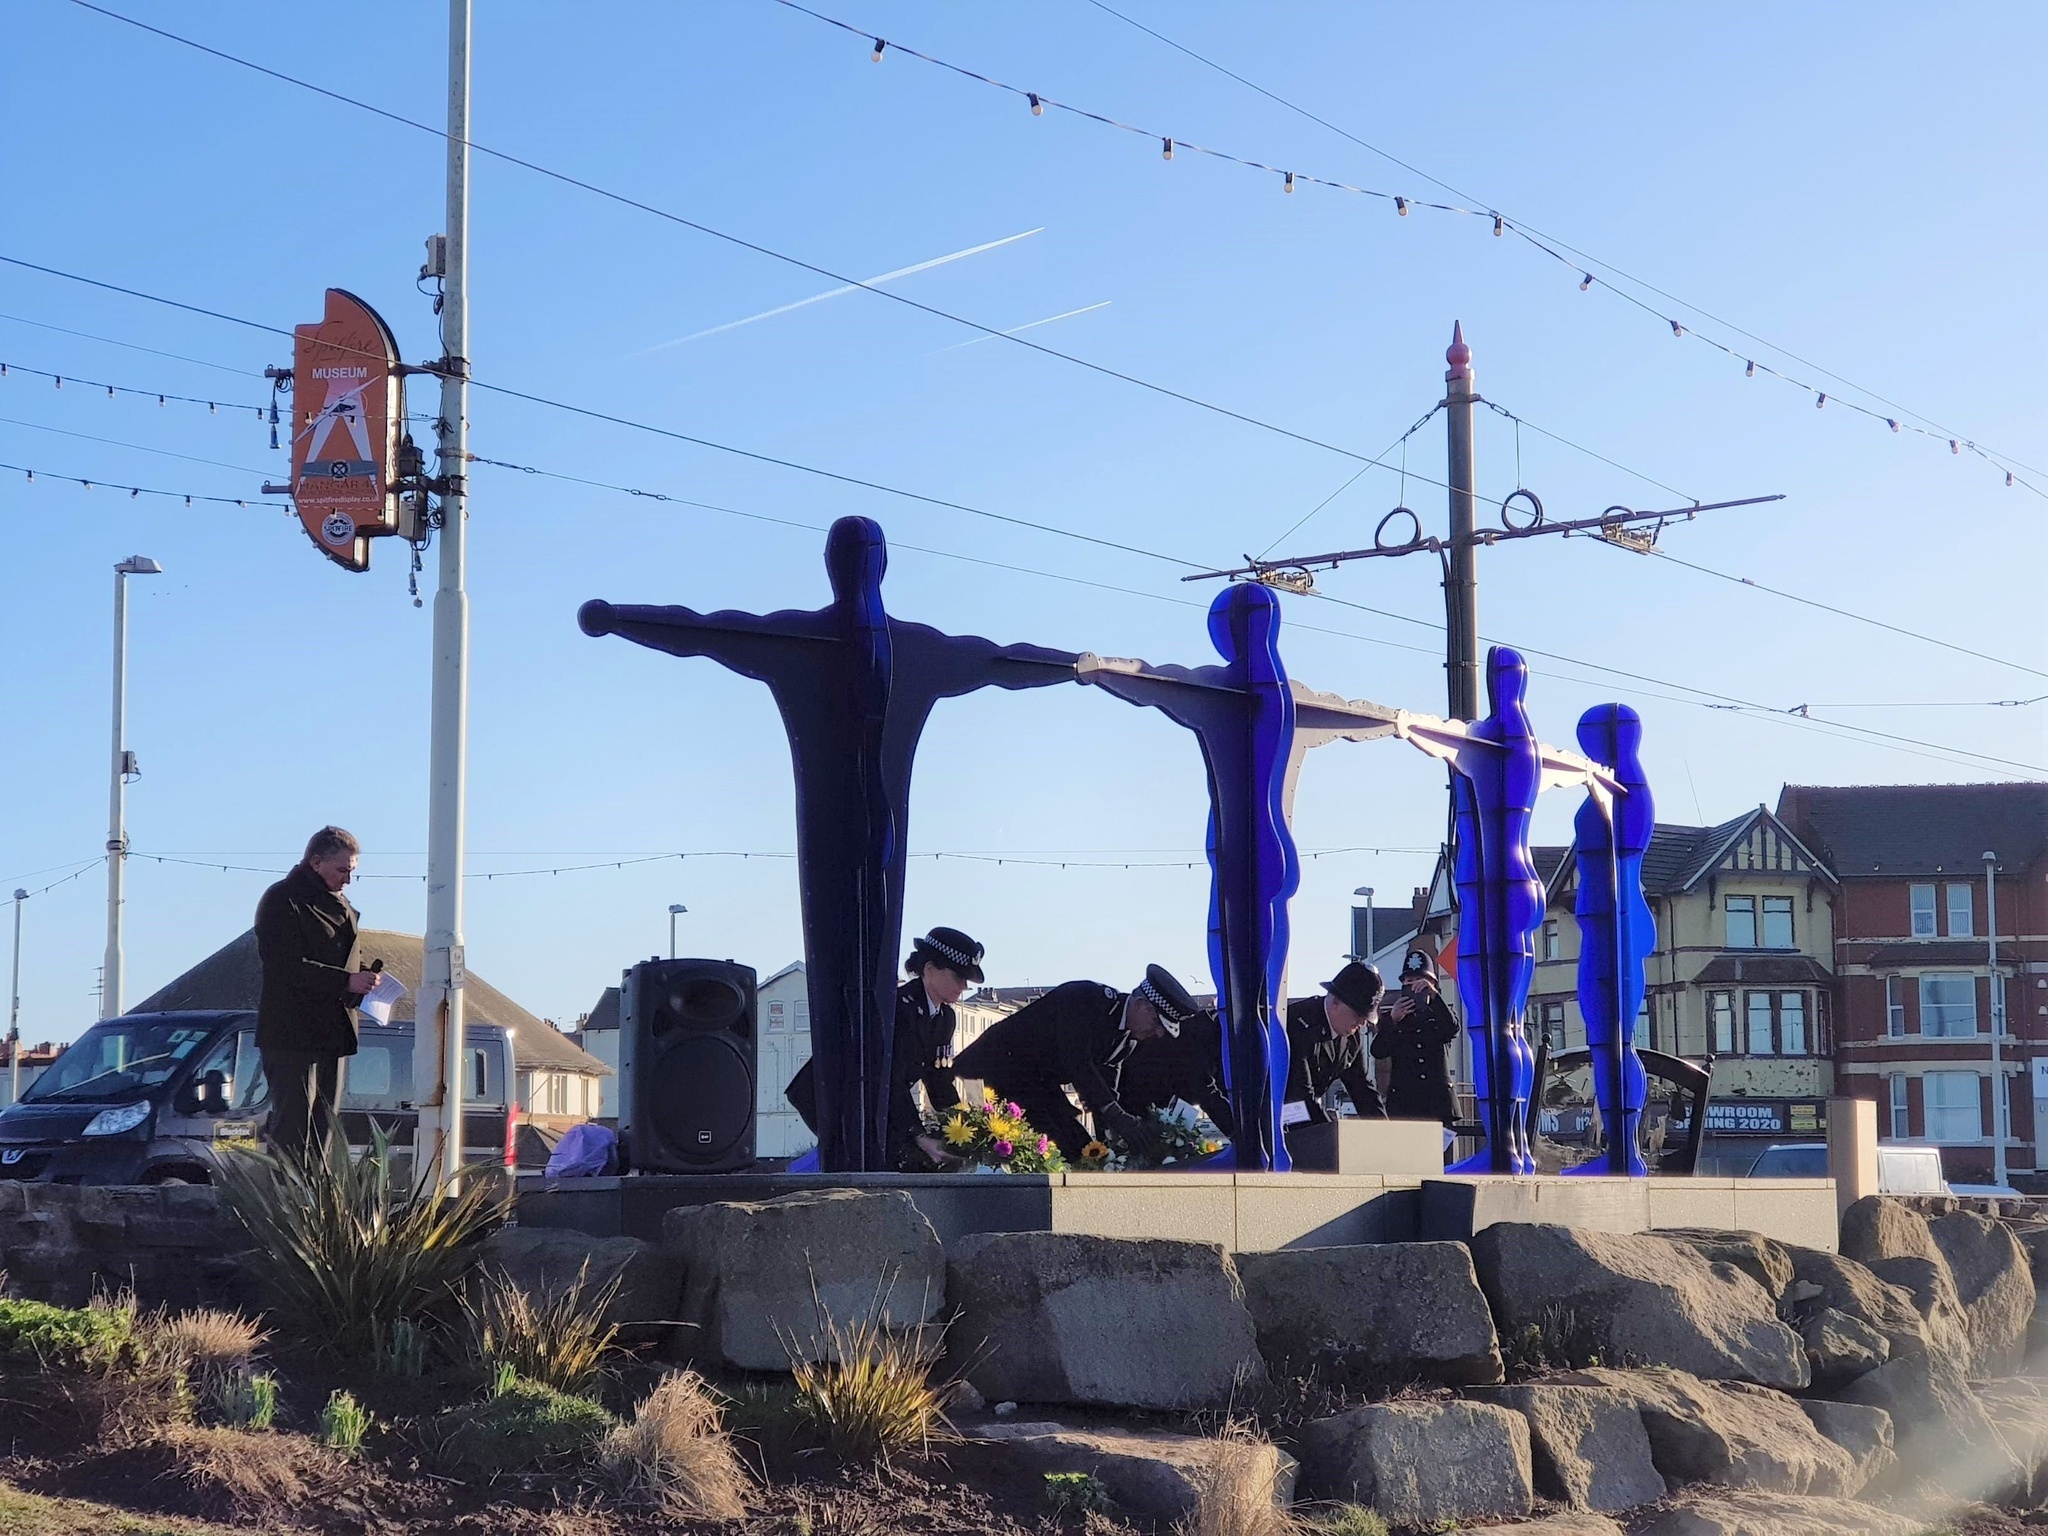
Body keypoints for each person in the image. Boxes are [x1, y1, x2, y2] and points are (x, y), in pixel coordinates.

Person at [953, 964, 1198, 1161]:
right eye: (1157, 1023)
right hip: (994, 1070)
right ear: (1141, 1005)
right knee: (1061, 1147)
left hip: (1035, 1082)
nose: (1157, 1034)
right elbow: (1078, 1062)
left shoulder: (1126, 1038)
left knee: (1085, 1149)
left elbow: (1105, 1088)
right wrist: (1118, 1116)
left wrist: (1111, 1141)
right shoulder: (1087, 1000)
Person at [789, 927, 986, 1169]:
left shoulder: (945, 1017)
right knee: (888, 1161)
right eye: (958, 977)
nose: (964, 986)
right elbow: (889, 1077)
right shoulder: (896, 1009)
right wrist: (919, 1136)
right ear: (930, 970)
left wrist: (966, 1128)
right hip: (838, 1096)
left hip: (879, 1098)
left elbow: (938, 1079)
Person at [254, 826, 375, 1162]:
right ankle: (285, 1205)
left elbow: (338, 957)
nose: (347, 880)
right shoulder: (282, 898)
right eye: (342, 870)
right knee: (293, 1127)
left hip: (332, 1031)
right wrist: (345, 982)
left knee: (324, 1128)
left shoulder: (343, 905)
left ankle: (315, 1205)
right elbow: (284, 965)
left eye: (351, 872)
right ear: (316, 861)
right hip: (291, 1034)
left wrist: (363, 976)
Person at [1282, 961, 1387, 1125]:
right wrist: (1333, 1138)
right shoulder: (1299, 1026)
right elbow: (1300, 1096)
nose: (1362, 1023)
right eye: (1358, 1014)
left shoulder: (1351, 1037)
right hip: (1275, 1119)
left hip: (1303, 1118)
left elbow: (1363, 1091)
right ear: (1335, 1001)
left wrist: (1386, 1132)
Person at [1118, 1006, 1237, 1142]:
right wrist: (1238, 1135)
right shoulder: (1200, 1034)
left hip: (1159, 1099)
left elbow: (1223, 1088)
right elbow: (1206, 1092)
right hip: (1131, 1095)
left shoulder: (1217, 1031)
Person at [1372, 949, 1460, 1125]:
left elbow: (1452, 1028)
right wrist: (1393, 1021)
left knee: (1440, 1151)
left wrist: (1434, 997)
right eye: (1408, 982)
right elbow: (1378, 1051)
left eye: (1419, 982)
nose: (1413, 986)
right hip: (1405, 1106)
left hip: (1437, 1105)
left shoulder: (1439, 1014)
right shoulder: (1395, 1018)